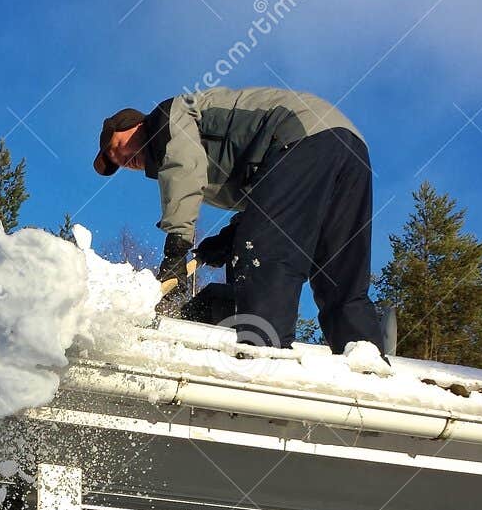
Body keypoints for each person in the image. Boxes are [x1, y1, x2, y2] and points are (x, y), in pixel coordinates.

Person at [93, 87, 383, 351]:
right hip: (347, 147)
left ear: (135, 124)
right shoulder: (202, 147)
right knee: (338, 273)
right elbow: (273, 203)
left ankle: (264, 358)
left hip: (300, 135)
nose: (120, 160)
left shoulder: (167, 118)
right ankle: (364, 361)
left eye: (116, 147)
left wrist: (177, 247)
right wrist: (228, 237)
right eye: (116, 164)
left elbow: (183, 167)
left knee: (260, 251)